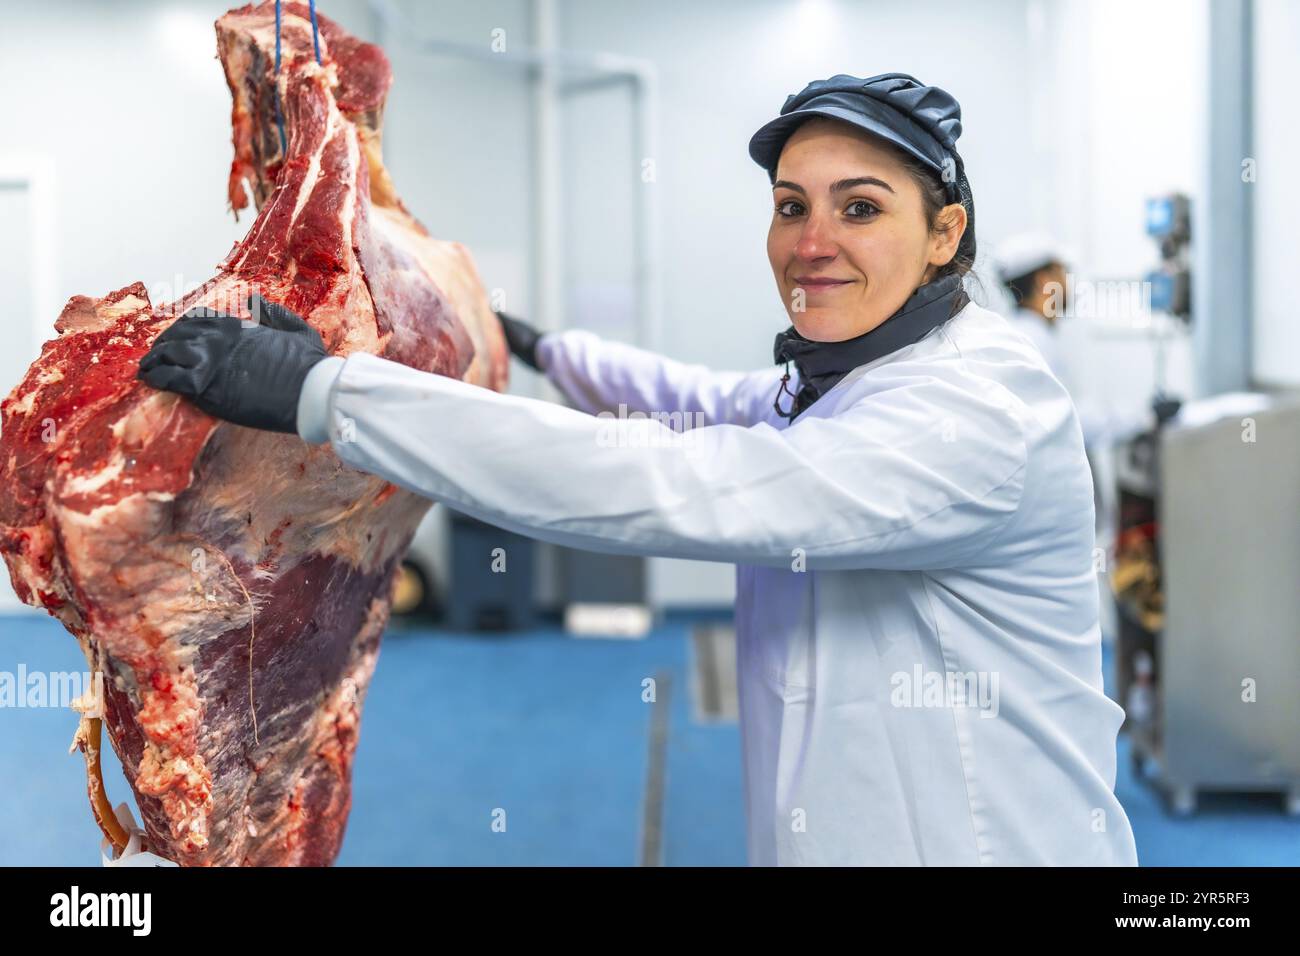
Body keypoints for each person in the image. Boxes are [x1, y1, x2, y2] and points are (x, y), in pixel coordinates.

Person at [139, 72, 1138, 866]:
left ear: (944, 236)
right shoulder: (852, 380)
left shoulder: (976, 409)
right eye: (791, 206)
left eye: (860, 207)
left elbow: (669, 478)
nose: (812, 241)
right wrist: (533, 342)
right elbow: (689, 398)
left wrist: (326, 393)